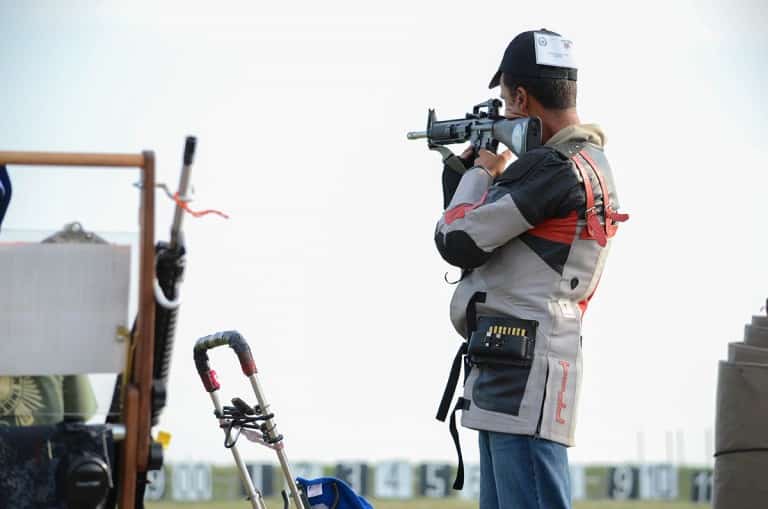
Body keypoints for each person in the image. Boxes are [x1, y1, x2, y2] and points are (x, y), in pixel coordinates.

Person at [434, 29, 628, 509]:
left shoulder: (551, 168)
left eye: (507, 103)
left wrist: (479, 170)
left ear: (521, 96)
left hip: (522, 378)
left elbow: (457, 239)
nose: (507, 112)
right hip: (515, 368)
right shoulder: (583, 163)